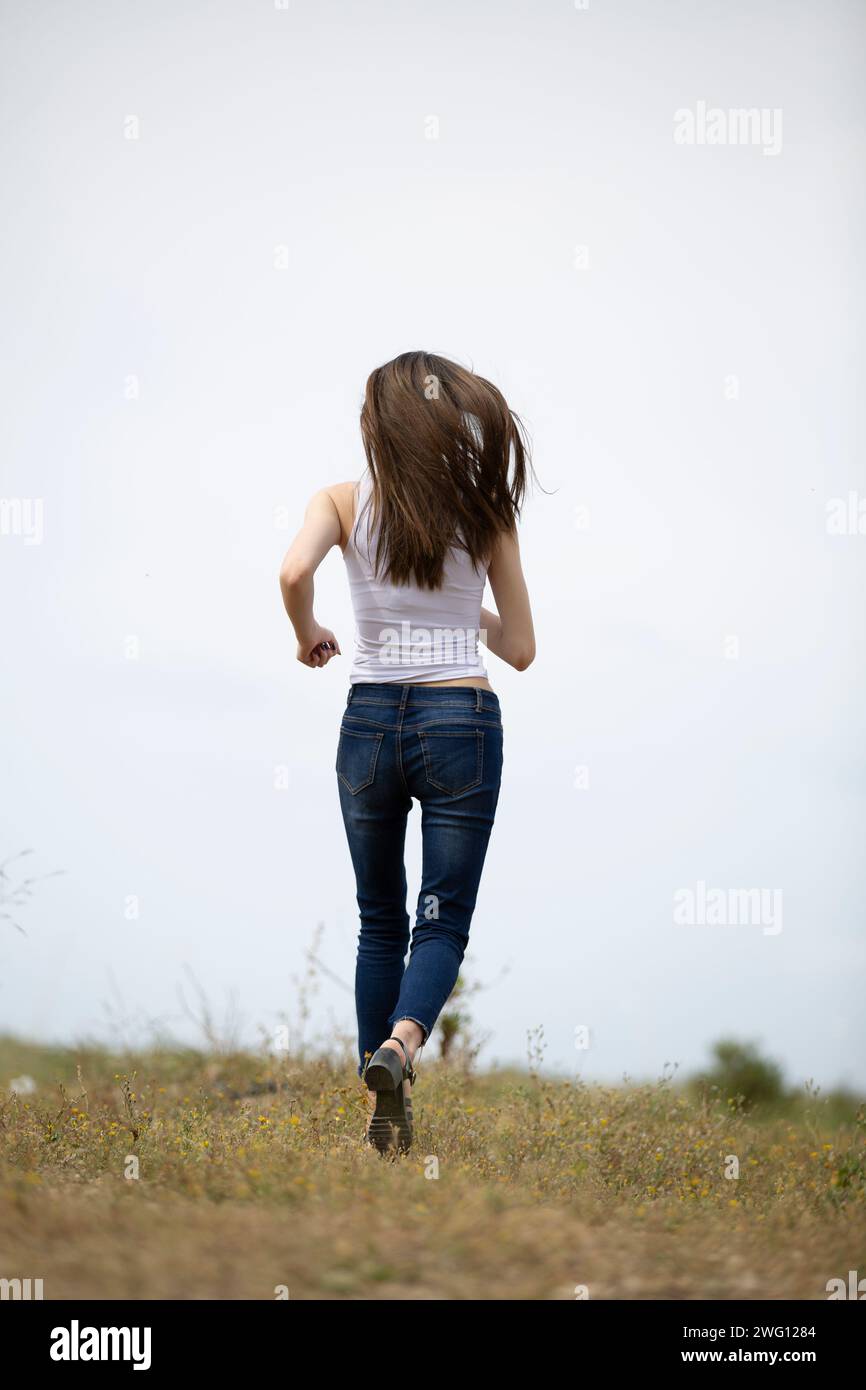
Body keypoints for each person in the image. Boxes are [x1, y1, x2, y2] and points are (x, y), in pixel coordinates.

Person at [279, 351, 535, 1152]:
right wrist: (466, 619)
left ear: (377, 426)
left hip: (368, 724)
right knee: (441, 918)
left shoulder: (341, 500)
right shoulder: (487, 514)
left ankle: (380, 1113)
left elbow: (292, 572)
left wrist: (308, 633)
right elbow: (521, 649)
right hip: (460, 717)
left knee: (377, 920)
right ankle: (402, 1047)